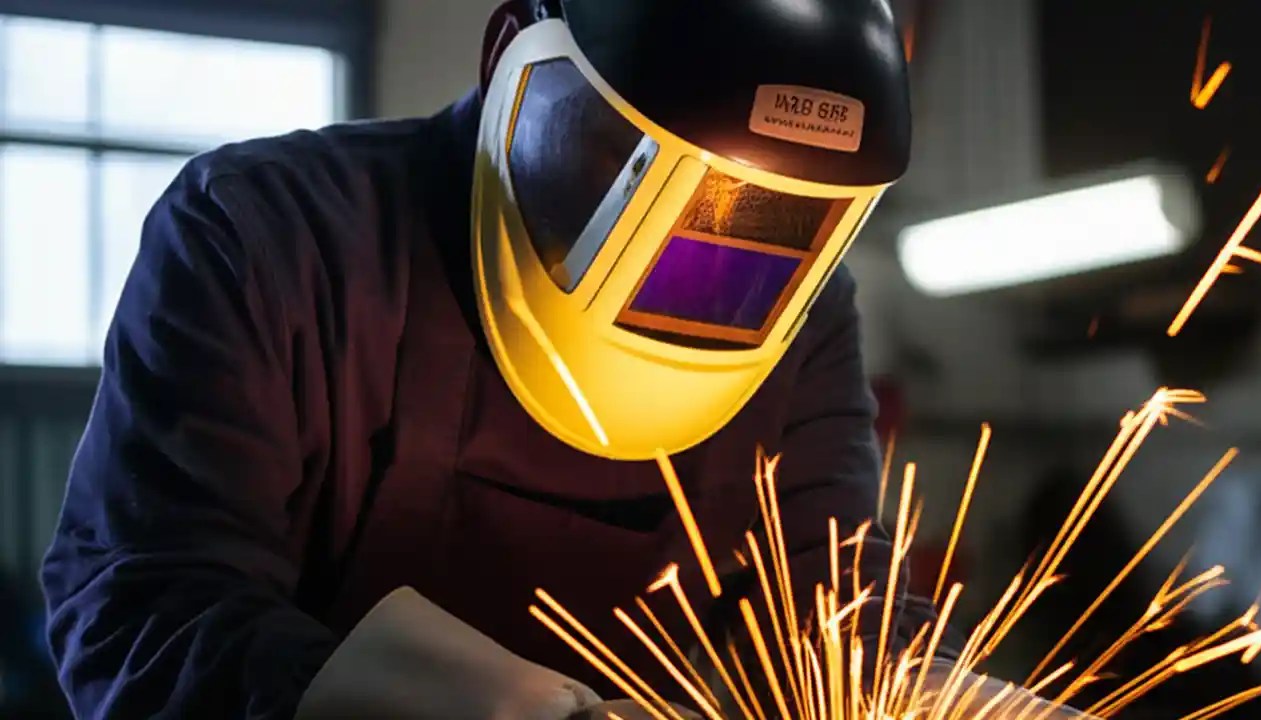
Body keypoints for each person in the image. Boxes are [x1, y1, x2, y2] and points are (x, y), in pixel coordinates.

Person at [40, 1, 1091, 718]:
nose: (690, 251)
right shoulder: (272, 233)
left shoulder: (805, 321)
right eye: (647, 173)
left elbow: (837, 631)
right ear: (512, 53)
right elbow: (146, 612)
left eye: (769, 215)